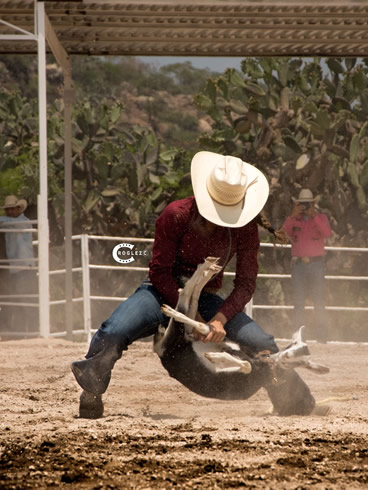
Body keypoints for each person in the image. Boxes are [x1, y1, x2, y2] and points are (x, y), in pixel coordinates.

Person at [71, 151, 319, 419]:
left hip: (208, 296)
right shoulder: (175, 215)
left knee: (264, 343)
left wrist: (221, 319)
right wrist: (192, 316)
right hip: (161, 293)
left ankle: (296, 404)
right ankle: (92, 391)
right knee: (114, 331)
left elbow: (246, 283)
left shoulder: (245, 228)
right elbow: (159, 271)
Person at [281, 188, 332, 337]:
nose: (305, 207)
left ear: (313, 204)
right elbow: (283, 235)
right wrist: (292, 215)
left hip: (316, 264)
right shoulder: (293, 219)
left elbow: (327, 233)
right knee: (298, 301)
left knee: (319, 301)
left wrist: (314, 216)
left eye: (307, 204)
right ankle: (298, 336)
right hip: (299, 265)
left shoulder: (321, 217)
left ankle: (322, 337)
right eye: (302, 204)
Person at [0, 195, 37, 326]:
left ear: (18, 209)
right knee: (18, 301)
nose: (10, 212)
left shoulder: (23, 222)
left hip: (24, 268)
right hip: (17, 269)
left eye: (12, 209)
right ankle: (21, 332)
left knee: (27, 300)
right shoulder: (10, 222)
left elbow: (4, 222)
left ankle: (33, 330)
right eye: (7, 210)